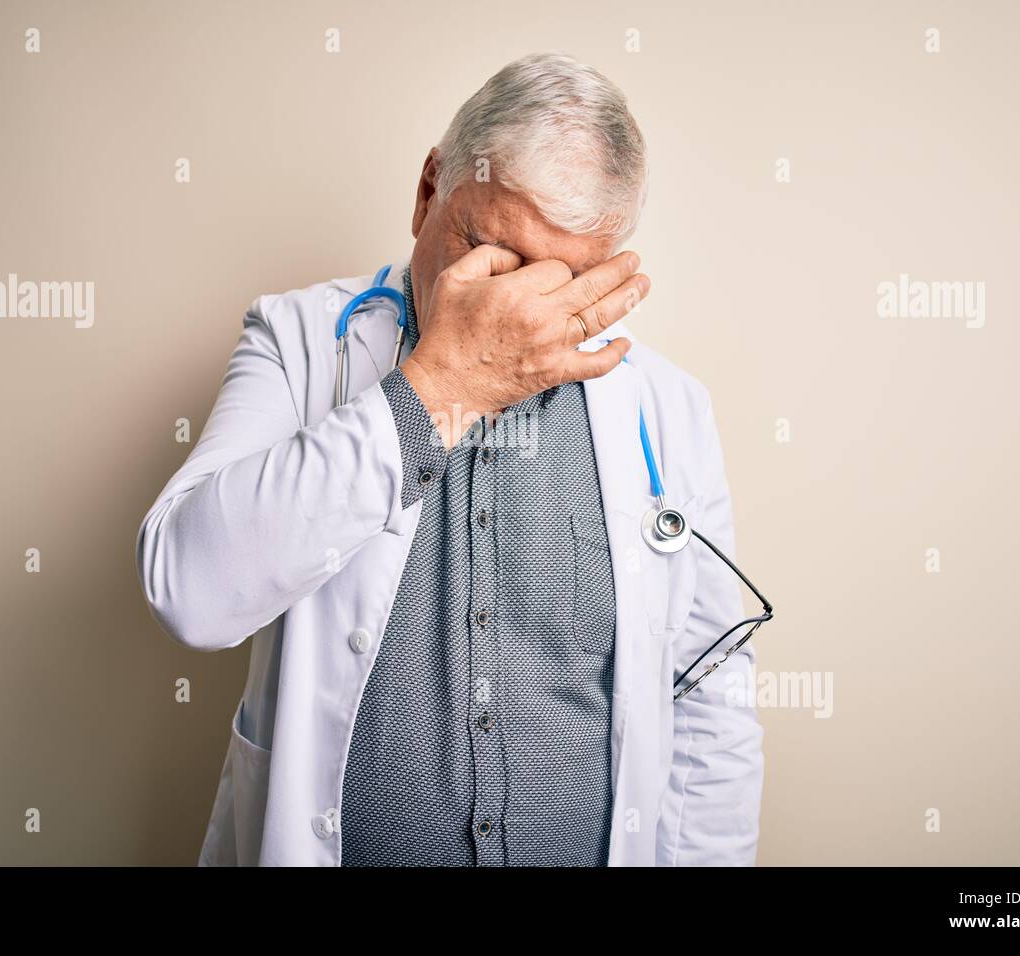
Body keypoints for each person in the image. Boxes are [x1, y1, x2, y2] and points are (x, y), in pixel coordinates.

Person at [136, 52, 763, 866]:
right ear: (429, 189)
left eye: (563, 279)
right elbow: (190, 590)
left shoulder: (667, 409)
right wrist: (441, 386)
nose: (518, 308)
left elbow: (710, 702)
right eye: (493, 251)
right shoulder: (299, 342)